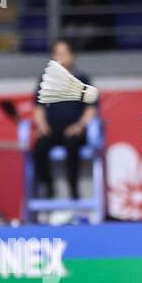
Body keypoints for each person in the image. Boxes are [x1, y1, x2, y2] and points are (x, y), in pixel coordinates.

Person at [31, 38, 97, 201]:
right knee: (39, 147)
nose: (60, 57)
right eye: (56, 54)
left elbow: (90, 109)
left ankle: (73, 190)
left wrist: (80, 126)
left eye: (63, 53)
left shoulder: (83, 80)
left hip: (74, 131)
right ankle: (48, 188)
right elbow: (38, 108)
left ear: (72, 56)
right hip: (52, 130)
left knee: (72, 144)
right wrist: (42, 126)